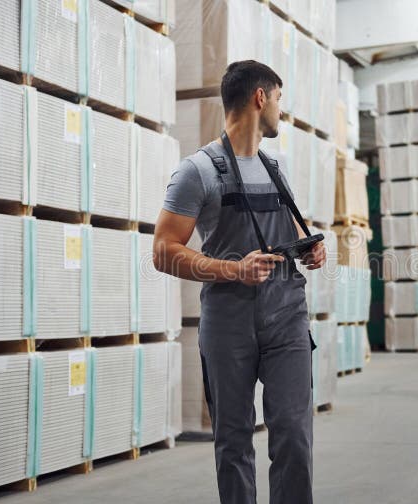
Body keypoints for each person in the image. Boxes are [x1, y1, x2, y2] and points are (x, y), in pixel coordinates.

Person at [152, 60, 325, 504]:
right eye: (279, 99)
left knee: (294, 433)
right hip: (229, 320)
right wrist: (234, 269)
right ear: (260, 98)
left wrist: (308, 248)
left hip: (286, 316)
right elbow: (163, 250)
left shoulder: (276, 167)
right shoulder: (197, 171)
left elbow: (286, 231)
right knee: (233, 441)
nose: (281, 110)